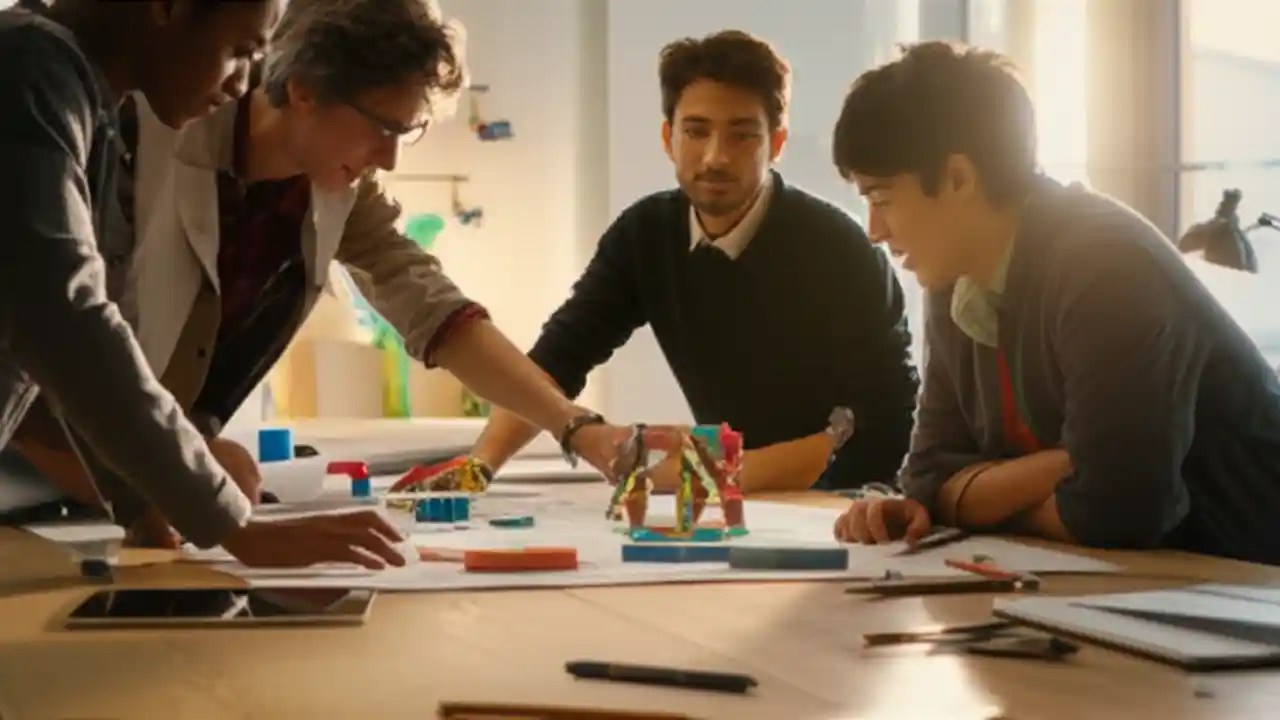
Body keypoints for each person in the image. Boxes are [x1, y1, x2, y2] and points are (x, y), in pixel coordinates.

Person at [12, 0, 626, 546]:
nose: (389, 156)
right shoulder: (112, 100)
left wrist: (577, 429)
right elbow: (67, 328)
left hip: (137, 472)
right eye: (385, 127)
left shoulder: (333, 189)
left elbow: (431, 305)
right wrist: (212, 509)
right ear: (304, 90)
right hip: (48, 463)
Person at [0, 0, 415, 569]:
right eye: (239, 52)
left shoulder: (82, 100)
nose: (243, 83)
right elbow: (63, 322)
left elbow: (67, 347)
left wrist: (140, 505)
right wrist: (231, 525)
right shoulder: (30, 68)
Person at [829, 41, 1280, 565]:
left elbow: (1117, 513)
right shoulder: (956, 275)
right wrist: (1062, 466)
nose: (874, 231)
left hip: (1245, 588)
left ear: (958, 178)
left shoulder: (1105, 265)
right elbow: (927, 475)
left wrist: (970, 505)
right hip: (1132, 582)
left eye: (882, 200)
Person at [463, 30, 919, 493]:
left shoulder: (838, 248)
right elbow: (553, 365)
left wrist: (695, 476)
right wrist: (478, 468)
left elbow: (884, 428)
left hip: (844, 505)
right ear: (668, 137)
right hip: (735, 501)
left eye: (742, 135)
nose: (715, 157)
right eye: (696, 132)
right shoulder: (646, 234)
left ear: (776, 143)